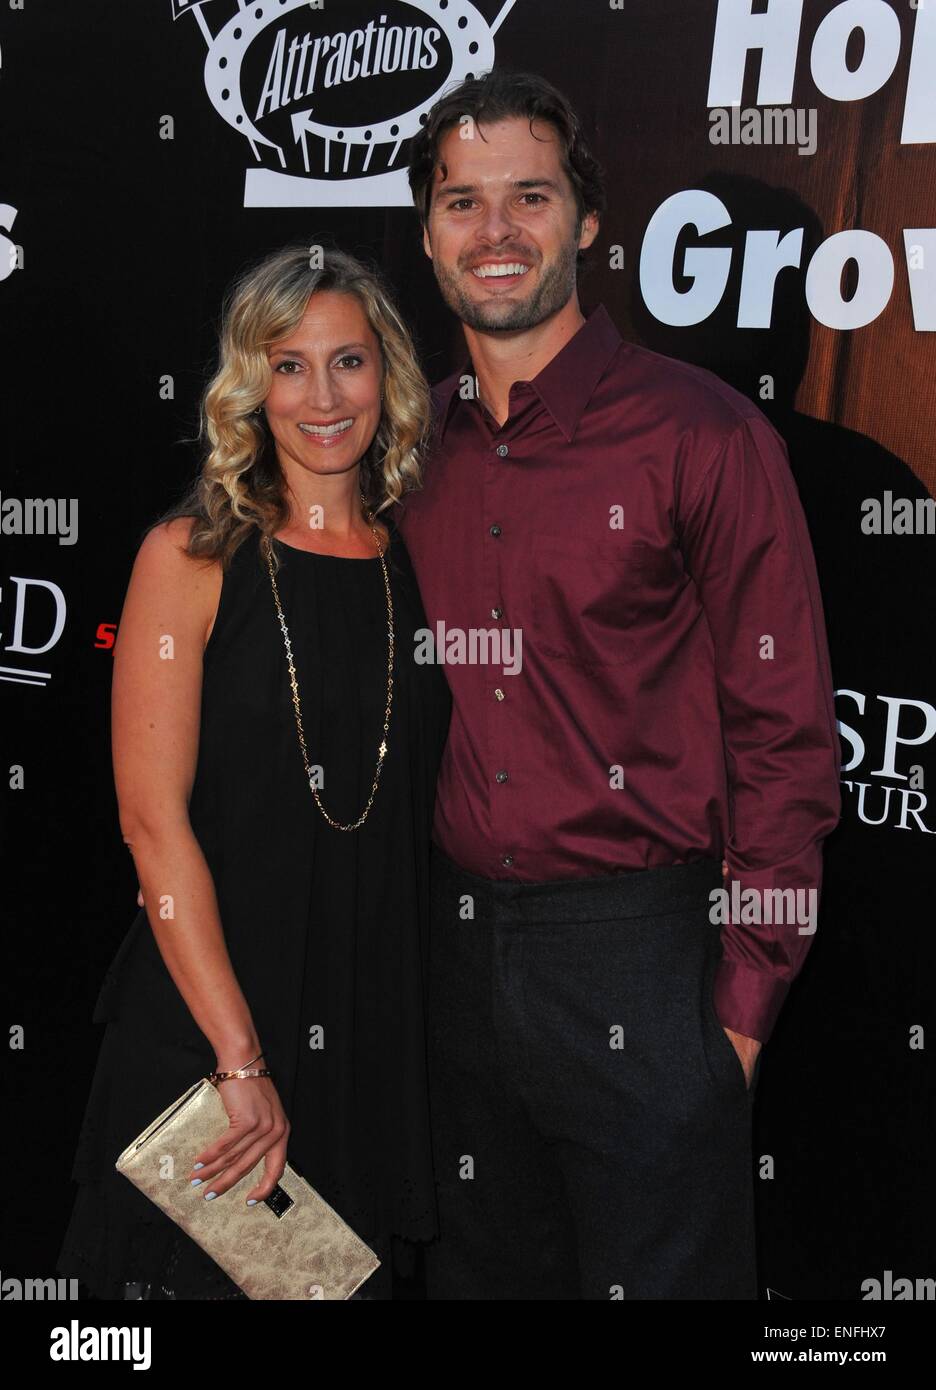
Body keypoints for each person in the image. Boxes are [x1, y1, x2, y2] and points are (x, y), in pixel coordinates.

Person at [395, 70, 842, 1299]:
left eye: (528, 196)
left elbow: (788, 739)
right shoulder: (400, 448)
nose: (495, 233)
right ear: (427, 230)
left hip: (645, 960)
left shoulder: (701, 436)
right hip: (450, 957)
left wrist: (738, 1020)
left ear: (589, 221)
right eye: (461, 201)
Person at [56, 243, 451, 1300]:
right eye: (288, 364)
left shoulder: (424, 559)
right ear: (249, 385)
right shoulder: (190, 556)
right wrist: (240, 1059)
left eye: (349, 362)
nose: (323, 396)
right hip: (216, 1030)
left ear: (391, 376)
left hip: (367, 1029)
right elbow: (150, 822)